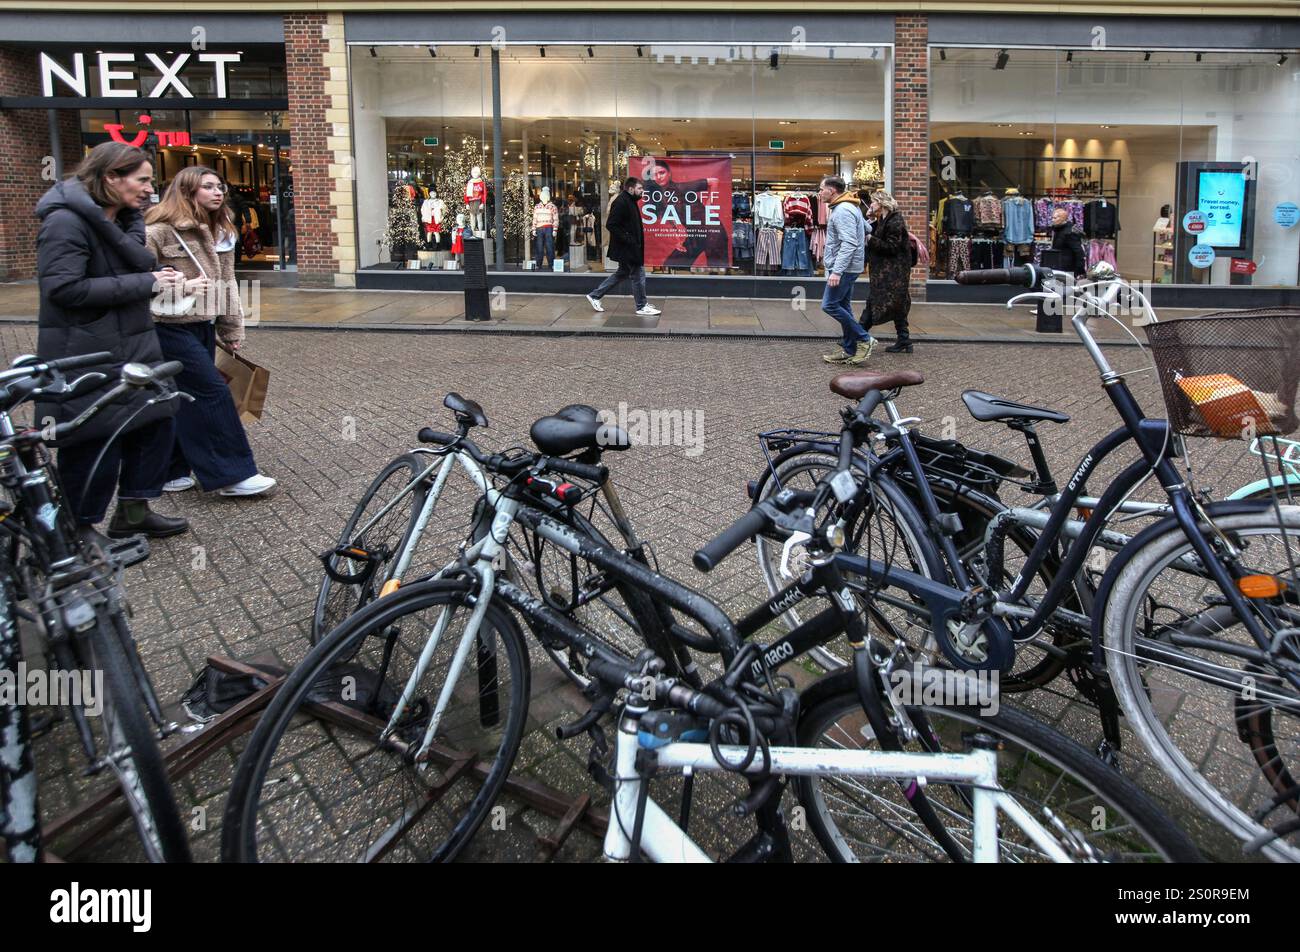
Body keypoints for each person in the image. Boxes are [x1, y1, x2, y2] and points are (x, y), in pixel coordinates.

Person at [35, 141, 189, 543]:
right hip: (84, 351)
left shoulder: (122, 222)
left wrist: (157, 281)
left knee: (153, 423)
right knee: (94, 439)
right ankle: (78, 529)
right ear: (110, 178)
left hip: (131, 343)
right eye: (141, 181)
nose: (148, 190)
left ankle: (133, 512)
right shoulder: (65, 223)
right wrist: (148, 282)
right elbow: (64, 289)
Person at [145, 166, 276, 498]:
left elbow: (226, 282)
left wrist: (231, 326)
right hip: (167, 327)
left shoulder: (220, 230)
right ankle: (232, 475)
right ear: (188, 192)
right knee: (213, 393)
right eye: (208, 187)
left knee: (183, 397)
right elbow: (134, 284)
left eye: (220, 186)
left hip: (201, 325)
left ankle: (169, 470)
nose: (218, 192)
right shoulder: (158, 232)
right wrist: (182, 287)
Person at [587, 177, 660, 317]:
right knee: (639, 275)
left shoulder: (630, 201)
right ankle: (641, 306)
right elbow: (611, 224)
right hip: (628, 249)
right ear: (631, 189)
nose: (642, 191)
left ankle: (595, 295)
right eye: (639, 189)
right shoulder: (621, 202)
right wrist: (629, 239)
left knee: (622, 273)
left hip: (630, 247)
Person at [818, 176, 872, 366]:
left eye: (821, 189)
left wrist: (837, 271)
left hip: (845, 268)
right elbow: (867, 228)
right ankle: (849, 350)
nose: (819, 192)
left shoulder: (842, 210)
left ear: (832, 191)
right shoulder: (851, 206)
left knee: (829, 305)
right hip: (850, 266)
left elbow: (849, 243)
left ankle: (865, 339)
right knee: (844, 307)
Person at [865, 189, 915, 354]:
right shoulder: (884, 219)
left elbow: (892, 247)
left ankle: (855, 336)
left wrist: (871, 240)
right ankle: (904, 340)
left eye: (873, 202)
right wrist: (871, 218)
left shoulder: (895, 221)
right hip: (887, 271)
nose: (871, 204)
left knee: (875, 302)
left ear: (880, 203)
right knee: (897, 304)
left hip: (893, 272)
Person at [1050, 206, 1087, 277]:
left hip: (1068, 269)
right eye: (1052, 218)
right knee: (1056, 287)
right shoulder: (1057, 230)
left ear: (1063, 218)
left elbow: (1079, 252)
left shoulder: (1069, 232)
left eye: (1055, 218)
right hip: (1058, 267)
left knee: (1067, 287)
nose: (1053, 220)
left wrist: (1079, 271)